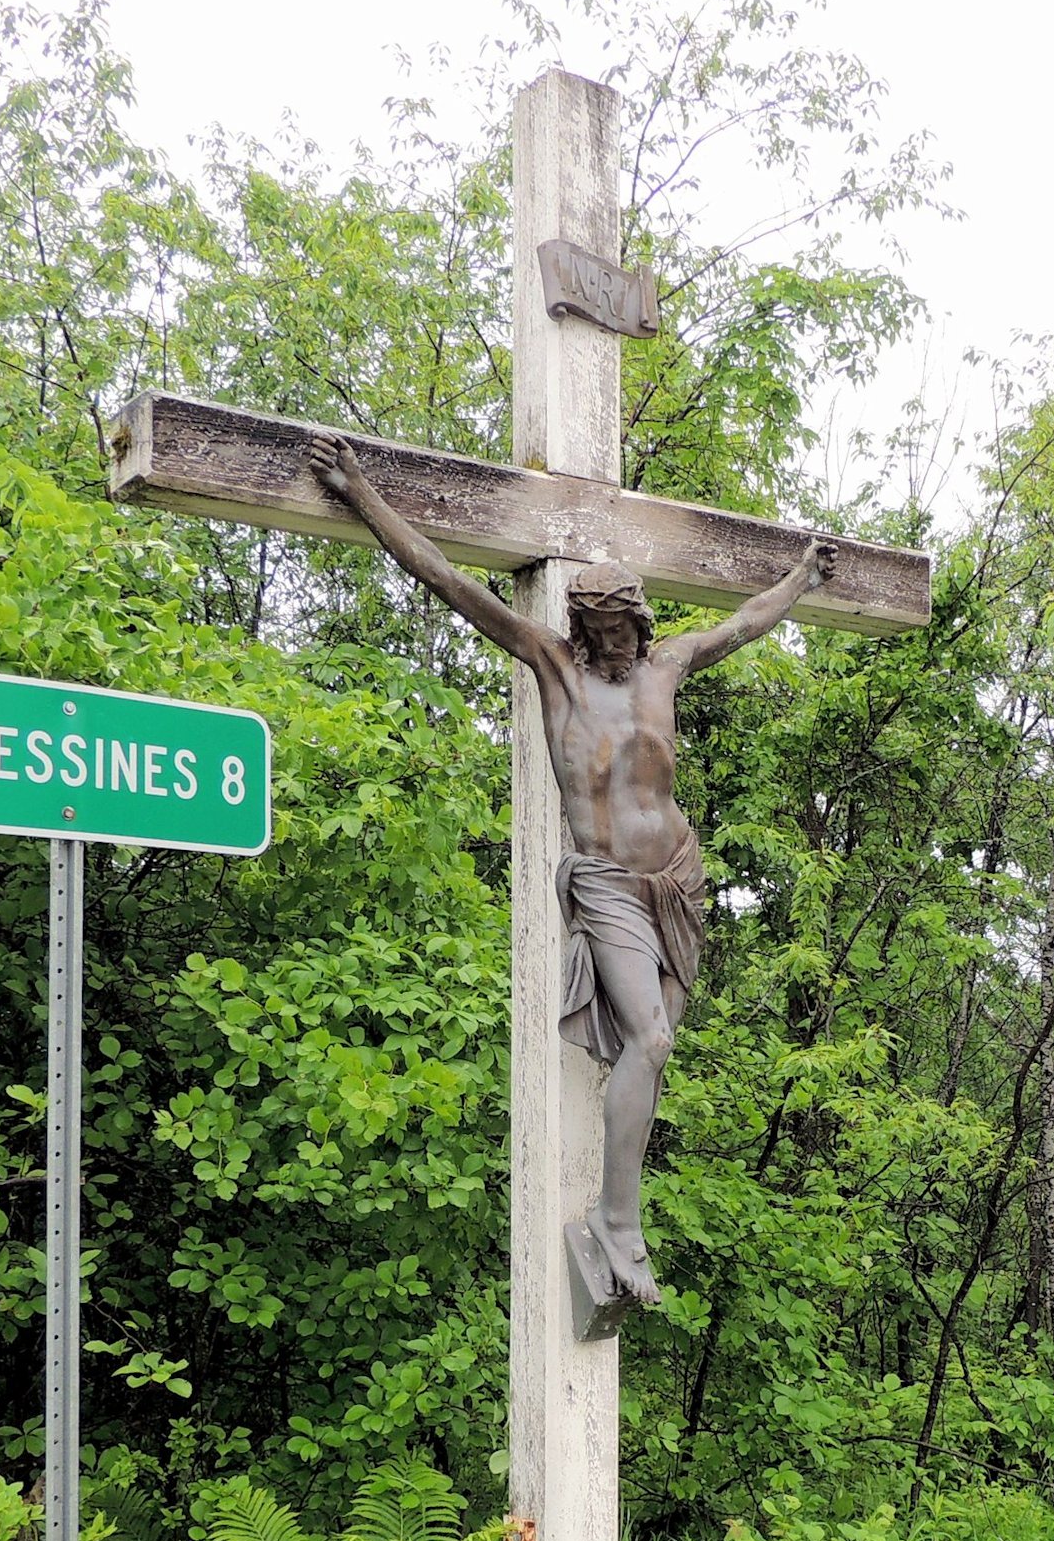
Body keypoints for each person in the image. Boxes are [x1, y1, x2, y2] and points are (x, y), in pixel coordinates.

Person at [306, 433, 836, 1307]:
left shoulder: (668, 666)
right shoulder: (552, 665)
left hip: (677, 876)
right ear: (582, 631)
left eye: (624, 630)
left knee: (654, 1053)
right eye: (599, 632)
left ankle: (622, 1217)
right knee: (651, 1039)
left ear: (642, 624)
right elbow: (447, 579)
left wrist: (799, 579)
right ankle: (616, 1220)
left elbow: (744, 621)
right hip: (604, 883)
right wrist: (362, 495)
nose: (613, 644)